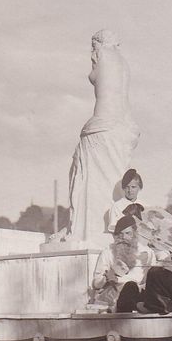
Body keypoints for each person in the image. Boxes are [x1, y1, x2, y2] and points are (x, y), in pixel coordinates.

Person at [67, 30, 140, 246]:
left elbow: (93, 77)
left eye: (93, 47)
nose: (91, 53)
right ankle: (112, 230)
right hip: (125, 127)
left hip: (103, 125)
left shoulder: (103, 55)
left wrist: (96, 54)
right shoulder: (124, 63)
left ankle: (86, 232)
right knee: (115, 183)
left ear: (98, 45)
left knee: (90, 182)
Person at [92, 214, 155, 312]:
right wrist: (107, 277)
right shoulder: (108, 252)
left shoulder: (147, 252)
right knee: (129, 288)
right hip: (115, 297)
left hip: (139, 294)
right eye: (120, 234)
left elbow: (151, 282)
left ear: (135, 233)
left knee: (132, 286)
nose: (123, 237)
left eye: (127, 233)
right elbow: (96, 284)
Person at [107, 169, 145, 233]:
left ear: (139, 187)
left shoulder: (144, 206)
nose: (130, 190)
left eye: (133, 187)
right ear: (123, 188)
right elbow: (112, 227)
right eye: (127, 187)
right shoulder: (116, 206)